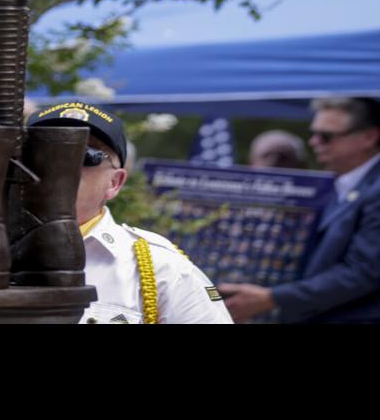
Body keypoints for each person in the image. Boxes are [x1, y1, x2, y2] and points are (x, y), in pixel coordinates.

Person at [28, 101, 232, 324]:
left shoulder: (160, 268)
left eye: (84, 155)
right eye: (43, 150)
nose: (60, 165)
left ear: (115, 182)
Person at [218, 97, 380, 323]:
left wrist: (271, 298)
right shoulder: (345, 183)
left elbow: (363, 272)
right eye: (314, 133)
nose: (314, 142)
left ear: (369, 137)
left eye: (326, 136)